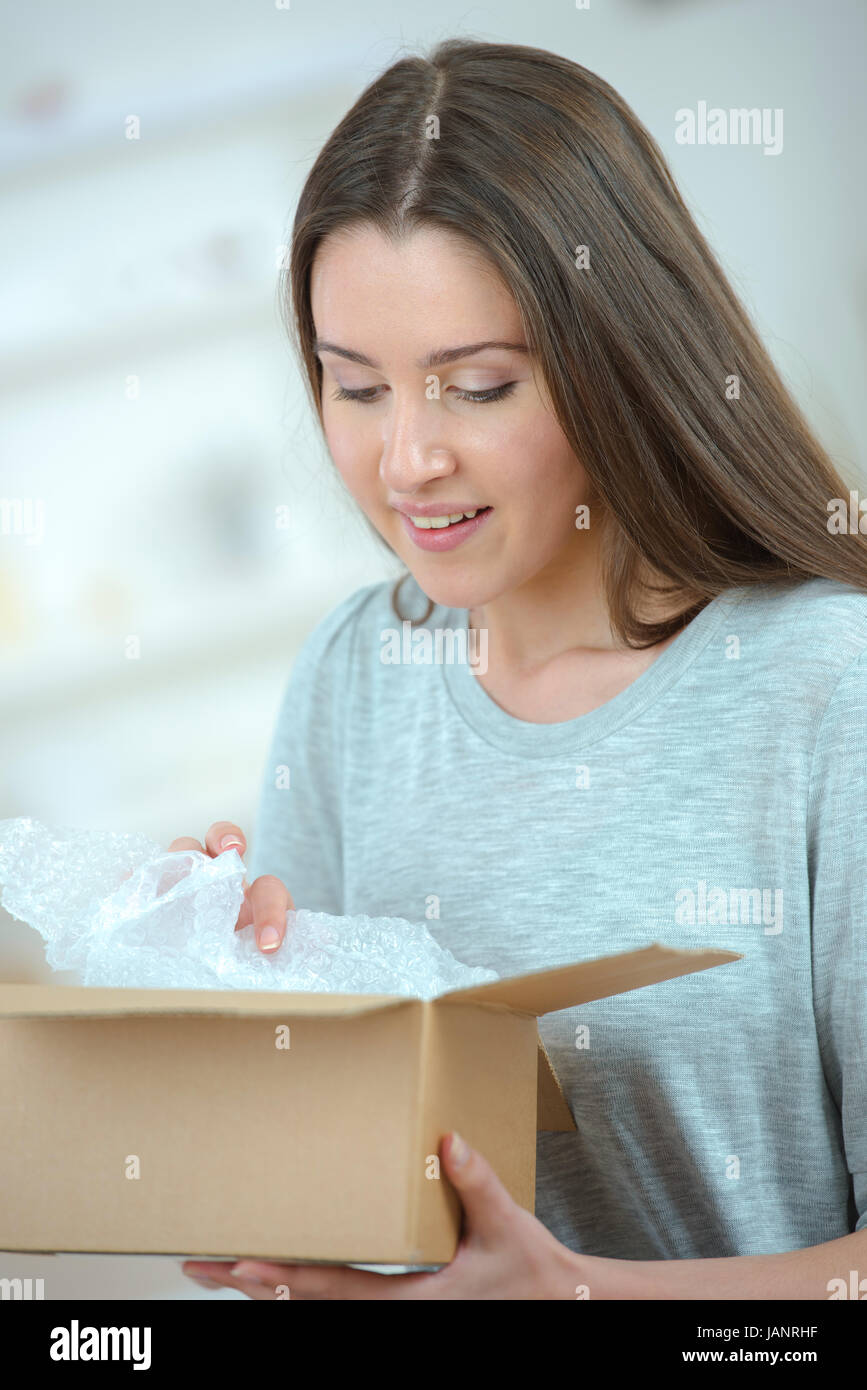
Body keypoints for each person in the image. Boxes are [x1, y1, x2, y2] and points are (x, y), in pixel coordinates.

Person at [180, 39, 867, 1299]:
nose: (406, 460)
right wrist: (209, 1015)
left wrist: (578, 1296)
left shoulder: (829, 695)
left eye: (477, 387)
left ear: (620, 356)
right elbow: (347, 1213)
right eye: (357, 388)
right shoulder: (354, 677)